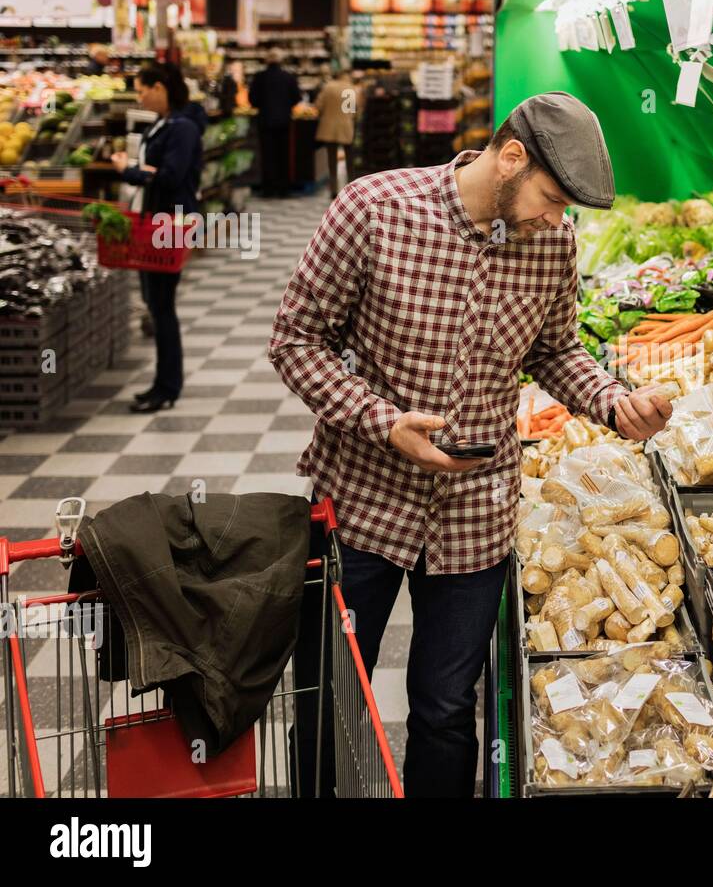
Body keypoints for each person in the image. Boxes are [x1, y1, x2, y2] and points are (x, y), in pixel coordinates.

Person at [270, 92, 672, 797]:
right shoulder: (374, 209)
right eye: (550, 197)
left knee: (448, 709)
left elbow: (555, 352)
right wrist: (380, 419)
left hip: (474, 517)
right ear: (511, 157)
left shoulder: (552, 242)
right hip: (363, 503)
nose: (555, 219)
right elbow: (296, 341)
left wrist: (615, 401)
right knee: (328, 691)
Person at [110, 63, 203, 414]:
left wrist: (130, 172)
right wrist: (145, 173)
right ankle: (162, 383)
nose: (140, 96)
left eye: (142, 89)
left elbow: (171, 176)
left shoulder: (183, 127)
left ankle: (167, 387)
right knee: (156, 303)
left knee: (162, 306)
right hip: (155, 220)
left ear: (161, 87)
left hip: (170, 224)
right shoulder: (164, 124)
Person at [249, 48, 300, 197]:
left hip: (265, 120)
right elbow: (296, 98)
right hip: (284, 121)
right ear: (281, 60)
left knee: (267, 155)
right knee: (283, 155)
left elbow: (252, 100)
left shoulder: (259, 77)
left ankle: (268, 189)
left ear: (267, 60)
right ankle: (284, 189)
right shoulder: (288, 77)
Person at [313, 68, 356, 198]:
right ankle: (351, 187)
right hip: (346, 127)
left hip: (329, 127)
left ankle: (333, 189)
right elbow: (352, 111)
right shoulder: (349, 88)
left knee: (332, 160)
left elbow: (318, 106)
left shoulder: (328, 87)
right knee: (350, 160)